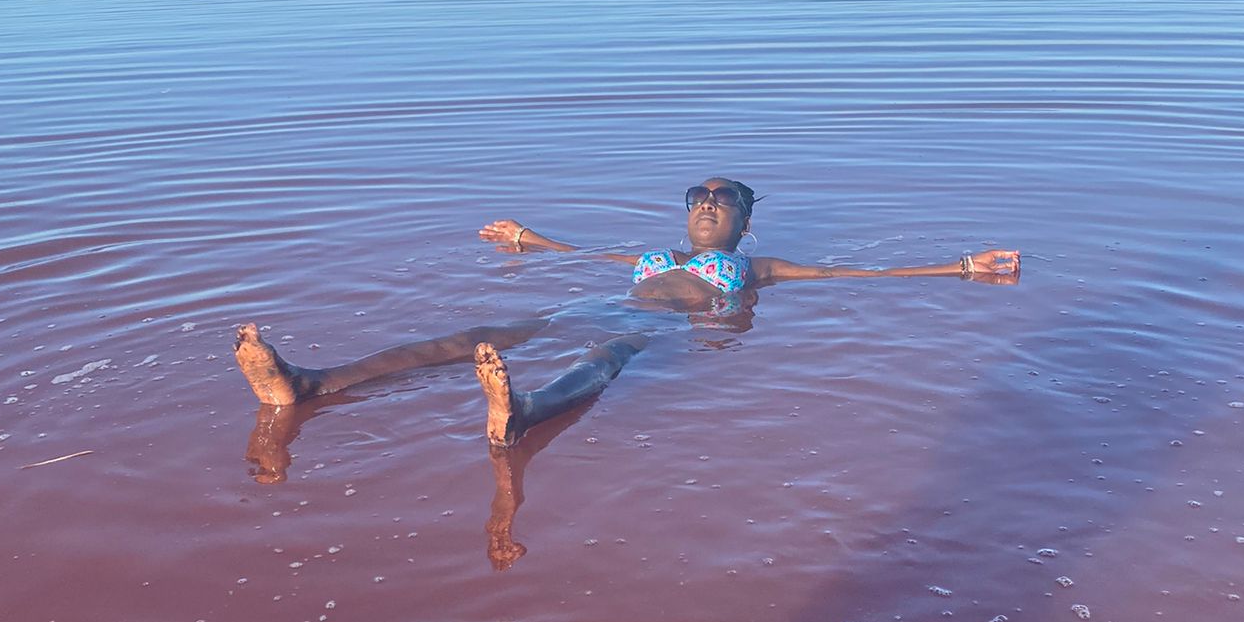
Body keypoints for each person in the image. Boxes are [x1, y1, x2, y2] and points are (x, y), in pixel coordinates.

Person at [233, 177, 1018, 453]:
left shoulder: (751, 268)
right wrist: (527, 239)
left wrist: (958, 265)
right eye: (700, 199)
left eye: (726, 202)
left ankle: (526, 409)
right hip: (590, 299)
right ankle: (308, 381)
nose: (710, 207)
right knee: (469, 334)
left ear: (745, 224)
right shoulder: (649, 254)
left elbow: (857, 272)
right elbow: (583, 254)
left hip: (664, 323)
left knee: (606, 355)